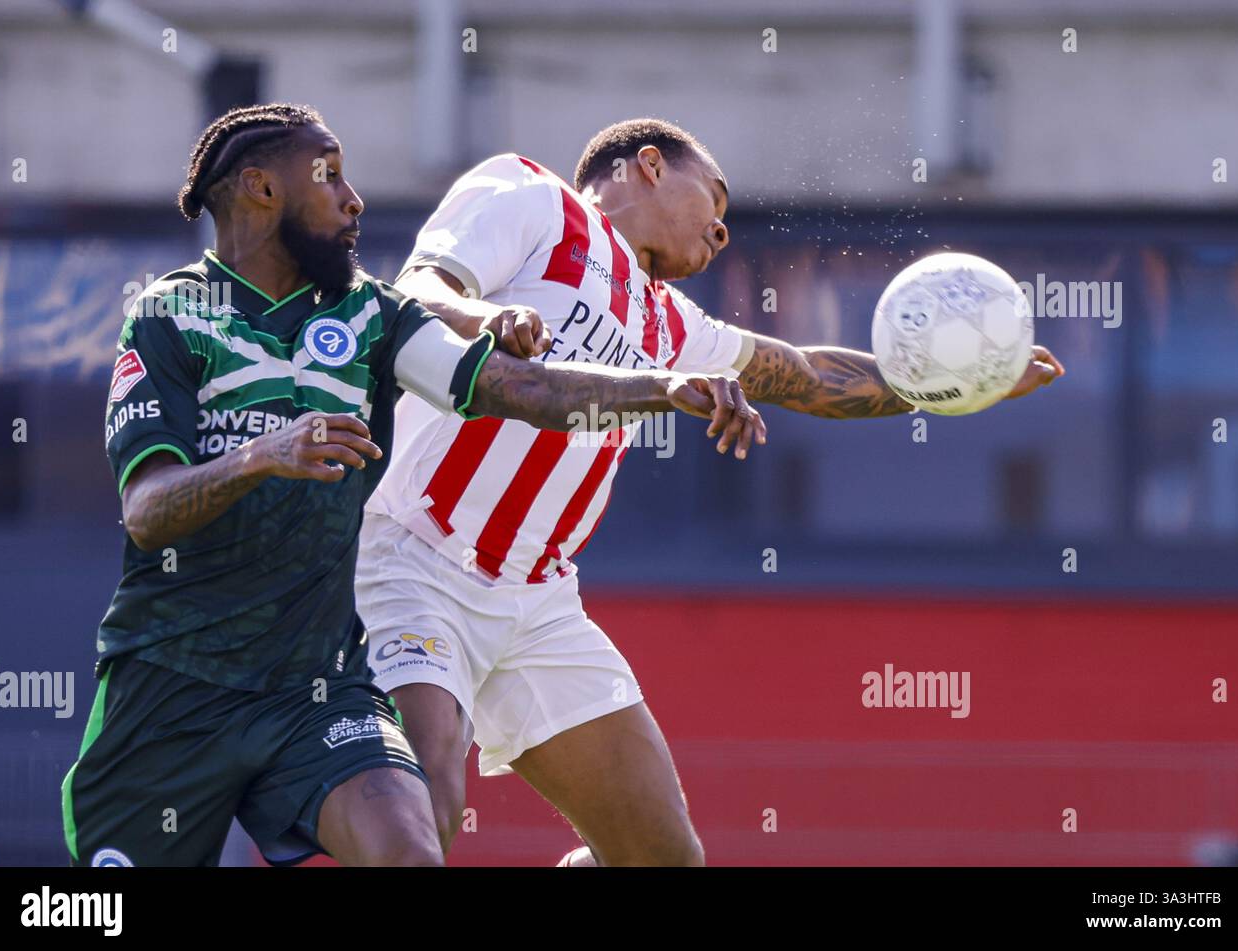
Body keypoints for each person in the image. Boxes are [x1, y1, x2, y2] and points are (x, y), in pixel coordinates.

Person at [62, 105, 764, 868]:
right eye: (329, 175)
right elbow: (147, 514)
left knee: (417, 842)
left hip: (312, 691)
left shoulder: (374, 313)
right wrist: (260, 455)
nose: (354, 198)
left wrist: (662, 389)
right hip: (175, 685)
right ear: (261, 190)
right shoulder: (171, 314)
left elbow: (515, 390)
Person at [356, 117, 1065, 866]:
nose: (722, 232)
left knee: (666, 859)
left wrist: (954, 384)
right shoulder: (533, 198)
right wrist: (486, 318)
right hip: (415, 557)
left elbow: (809, 376)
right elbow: (418, 290)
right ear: (651, 166)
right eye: (715, 201)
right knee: (427, 808)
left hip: (536, 600)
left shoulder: (672, 324)